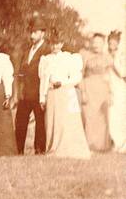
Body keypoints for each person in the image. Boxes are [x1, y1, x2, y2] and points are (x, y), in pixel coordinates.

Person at [40, 31, 91, 159]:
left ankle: (69, 148)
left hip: (67, 92)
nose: (55, 47)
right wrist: (42, 97)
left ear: (61, 44)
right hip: (52, 94)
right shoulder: (46, 59)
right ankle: (53, 147)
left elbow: (77, 77)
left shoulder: (69, 58)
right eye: (52, 44)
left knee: (67, 121)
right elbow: (43, 80)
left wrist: (63, 83)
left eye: (57, 43)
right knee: (53, 121)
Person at [13, 19, 49, 154]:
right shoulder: (27, 50)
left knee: (40, 123)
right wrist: (18, 91)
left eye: (35, 32)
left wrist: (44, 95)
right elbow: (21, 72)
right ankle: (18, 150)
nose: (32, 35)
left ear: (42, 33)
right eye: (31, 32)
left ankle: (39, 150)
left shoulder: (48, 49)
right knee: (20, 121)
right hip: (25, 93)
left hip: (39, 92)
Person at [80, 32, 115, 152]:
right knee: (89, 117)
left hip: (102, 89)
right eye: (94, 42)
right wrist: (83, 91)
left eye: (99, 43)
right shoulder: (85, 56)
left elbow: (110, 77)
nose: (96, 45)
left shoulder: (107, 58)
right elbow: (81, 75)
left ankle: (102, 146)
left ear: (103, 44)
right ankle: (90, 145)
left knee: (102, 117)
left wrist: (110, 93)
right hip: (89, 88)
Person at [108, 30, 125, 152]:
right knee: (110, 116)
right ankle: (114, 142)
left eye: (114, 42)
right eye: (110, 42)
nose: (112, 45)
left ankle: (122, 144)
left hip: (119, 88)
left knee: (119, 115)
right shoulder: (106, 54)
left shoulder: (122, 55)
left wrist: (114, 60)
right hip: (108, 88)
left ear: (118, 43)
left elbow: (123, 73)